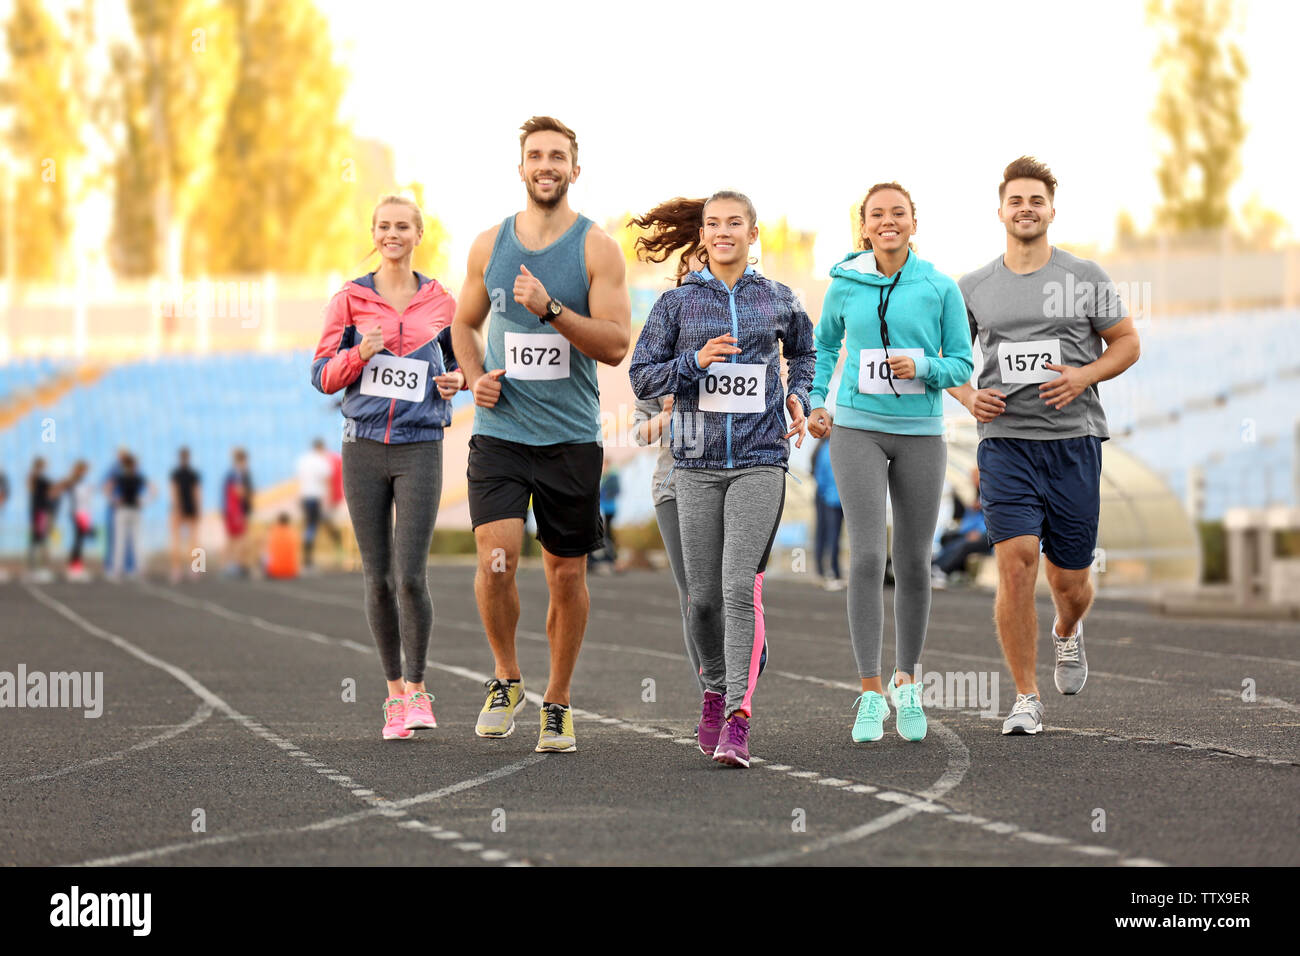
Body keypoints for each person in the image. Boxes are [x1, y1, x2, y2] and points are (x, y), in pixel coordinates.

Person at [451, 116, 631, 754]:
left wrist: (551, 309)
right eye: (535, 156)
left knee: (564, 575)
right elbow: (462, 325)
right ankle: (506, 677)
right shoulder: (488, 245)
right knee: (496, 561)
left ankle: (558, 701)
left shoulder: (596, 249)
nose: (546, 165)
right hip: (501, 434)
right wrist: (474, 377)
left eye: (558, 156)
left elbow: (615, 345)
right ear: (521, 168)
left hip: (570, 438)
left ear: (574, 170)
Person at [949, 156, 1140, 735]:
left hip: (1074, 442)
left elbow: (1127, 343)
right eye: (1016, 201)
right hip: (1006, 444)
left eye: (1036, 201)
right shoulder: (974, 286)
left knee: (1069, 581)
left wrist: (1083, 376)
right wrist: (966, 397)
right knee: (1015, 564)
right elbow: (948, 358)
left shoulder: (1083, 276)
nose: (1026, 209)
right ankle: (1026, 696)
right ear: (1000, 211)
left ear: (1051, 210)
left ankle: (1066, 629)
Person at [630, 190, 816, 769]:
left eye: (735, 223)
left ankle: (738, 715)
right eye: (713, 224)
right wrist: (694, 363)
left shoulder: (779, 299)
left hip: (761, 458)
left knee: (739, 586)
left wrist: (798, 394)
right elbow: (641, 375)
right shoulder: (676, 305)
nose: (723, 232)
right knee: (703, 599)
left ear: (753, 233)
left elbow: (807, 354)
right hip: (694, 464)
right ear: (704, 235)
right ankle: (713, 687)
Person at [808, 182, 974, 744]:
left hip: (921, 434)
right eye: (877, 214)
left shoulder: (940, 287)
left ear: (913, 222)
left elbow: (960, 364)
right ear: (864, 225)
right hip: (856, 429)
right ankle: (869, 691)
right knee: (867, 557)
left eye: (897, 213)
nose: (887, 222)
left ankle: (907, 682)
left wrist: (922, 366)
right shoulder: (843, 284)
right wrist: (817, 403)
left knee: (911, 559)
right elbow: (825, 348)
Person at [312, 194, 462, 740]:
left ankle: (421, 690)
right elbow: (321, 375)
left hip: (421, 444)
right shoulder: (349, 300)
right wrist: (358, 355)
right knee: (376, 578)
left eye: (402, 226)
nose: (392, 234)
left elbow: (465, 364)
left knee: (411, 575)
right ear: (373, 234)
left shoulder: (442, 302)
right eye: (383, 226)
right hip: (363, 446)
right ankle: (394, 694)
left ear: (418, 234)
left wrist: (459, 381)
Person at [931, 467, 991, 586]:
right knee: (948, 537)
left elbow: (993, 520)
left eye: (976, 477)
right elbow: (968, 521)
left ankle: (942, 570)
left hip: (987, 535)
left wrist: (979, 532)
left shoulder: (992, 495)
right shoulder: (976, 496)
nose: (974, 480)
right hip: (972, 531)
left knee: (964, 543)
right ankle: (934, 566)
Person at [296, 438, 340, 571]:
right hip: (316, 498)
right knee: (316, 525)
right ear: (320, 447)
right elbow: (327, 481)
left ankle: (307, 558)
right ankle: (337, 551)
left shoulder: (303, 460)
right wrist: (329, 499)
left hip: (305, 497)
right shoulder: (321, 461)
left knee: (311, 525)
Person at [108, 454, 152, 582]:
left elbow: (107, 488)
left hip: (122, 510)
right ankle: (140, 569)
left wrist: (114, 500)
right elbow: (154, 490)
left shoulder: (120, 477)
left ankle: (117, 570)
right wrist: (145, 501)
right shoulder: (138, 477)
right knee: (137, 541)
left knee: (120, 541)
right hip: (135, 510)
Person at [811, 437, 844, 590]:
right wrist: (826, 495)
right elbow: (822, 475)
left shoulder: (826, 446)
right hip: (830, 498)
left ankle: (831, 572)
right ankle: (829, 572)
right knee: (830, 537)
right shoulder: (826, 449)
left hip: (834, 498)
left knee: (831, 537)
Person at [169, 447, 201, 583]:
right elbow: (197, 494)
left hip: (180, 509)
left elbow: (174, 493)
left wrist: (177, 508)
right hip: (190, 509)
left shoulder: (176, 474)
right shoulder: (193, 474)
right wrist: (198, 509)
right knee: (193, 541)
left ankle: (177, 570)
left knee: (177, 541)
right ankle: (194, 569)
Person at [222, 448, 254, 578]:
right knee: (238, 538)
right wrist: (248, 495)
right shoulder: (235, 474)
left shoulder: (237, 473)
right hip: (235, 510)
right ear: (242, 460)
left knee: (235, 538)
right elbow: (239, 493)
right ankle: (233, 565)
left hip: (234, 510)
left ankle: (235, 565)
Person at [65, 460, 94, 581]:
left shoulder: (79, 482)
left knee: (80, 541)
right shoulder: (74, 482)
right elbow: (79, 498)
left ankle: (76, 567)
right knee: (78, 541)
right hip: (78, 513)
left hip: (82, 513)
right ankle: (74, 568)